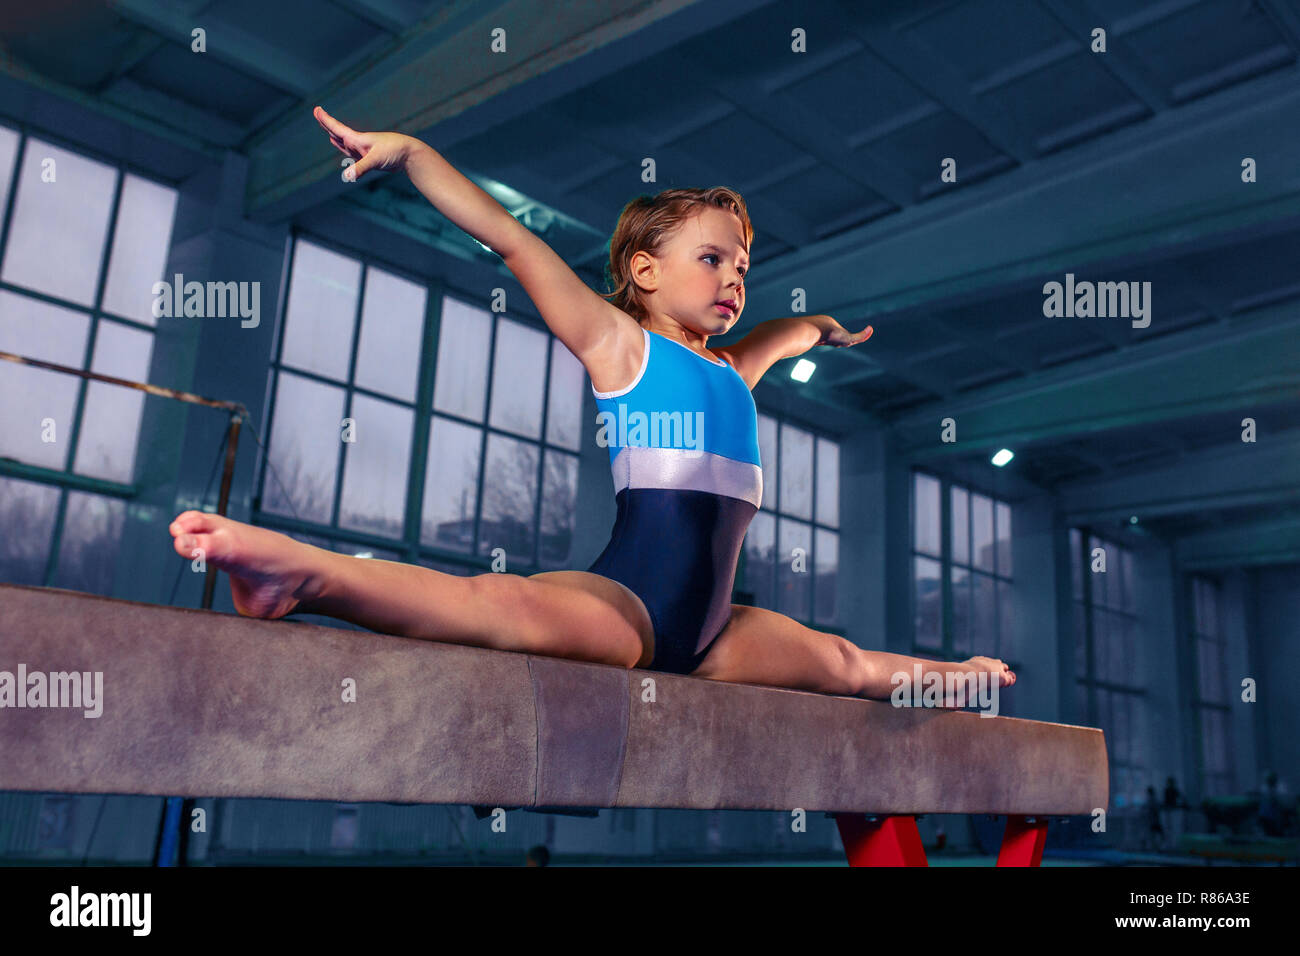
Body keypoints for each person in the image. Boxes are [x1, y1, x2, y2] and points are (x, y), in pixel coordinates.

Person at [166, 106, 1016, 702]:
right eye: (713, 259)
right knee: (501, 610)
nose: (735, 279)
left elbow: (782, 334)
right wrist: (414, 155)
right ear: (644, 270)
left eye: (744, 267)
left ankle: (961, 681)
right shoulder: (621, 346)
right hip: (631, 605)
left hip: (717, 630)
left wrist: (821, 330)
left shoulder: (732, 370)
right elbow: (514, 240)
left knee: (841, 663)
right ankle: (299, 576)